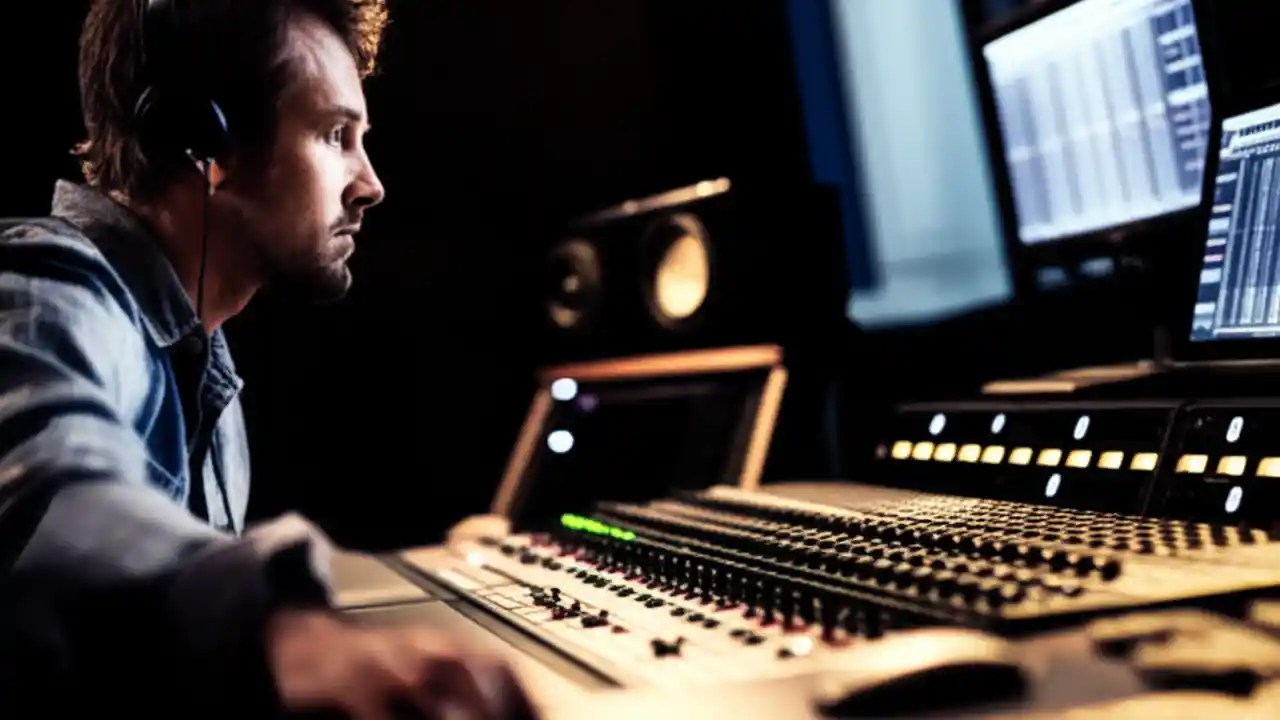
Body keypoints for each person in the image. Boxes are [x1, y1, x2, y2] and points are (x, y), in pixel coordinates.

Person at [0, 1, 535, 717]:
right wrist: (292, 634)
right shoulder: (45, 286)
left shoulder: (210, 369)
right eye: (336, 134)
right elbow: (47, 493)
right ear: (205, 142)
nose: (370, 183)